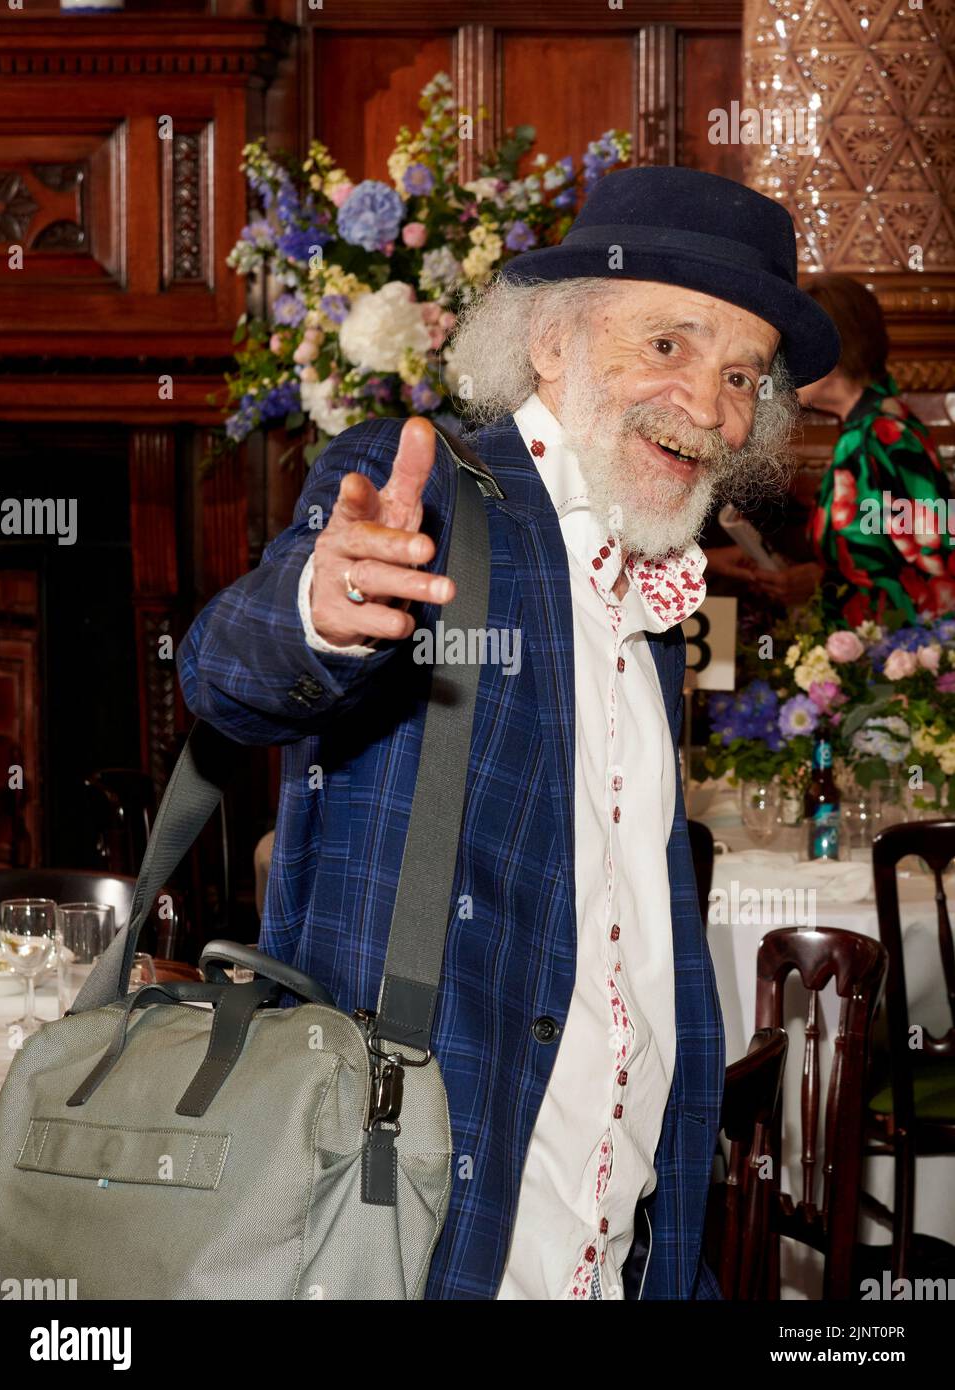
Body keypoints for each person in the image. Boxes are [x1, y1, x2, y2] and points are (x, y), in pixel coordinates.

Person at [178, 166, 839, 1300]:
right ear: (551, 345)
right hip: (427, 1237)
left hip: (610, 1248)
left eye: (741, 374)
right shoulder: (428, 500)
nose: (715, 406)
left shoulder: (649, 588)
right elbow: (226, 670)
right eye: (670, 346)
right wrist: (320, 612)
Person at [755, 273, 955, 623]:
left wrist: (822, 580)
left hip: (896, 661)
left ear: (833, 351)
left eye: (795, 351)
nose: (784, 366)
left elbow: (934, 563)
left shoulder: (888, 435)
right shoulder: (865, 431)